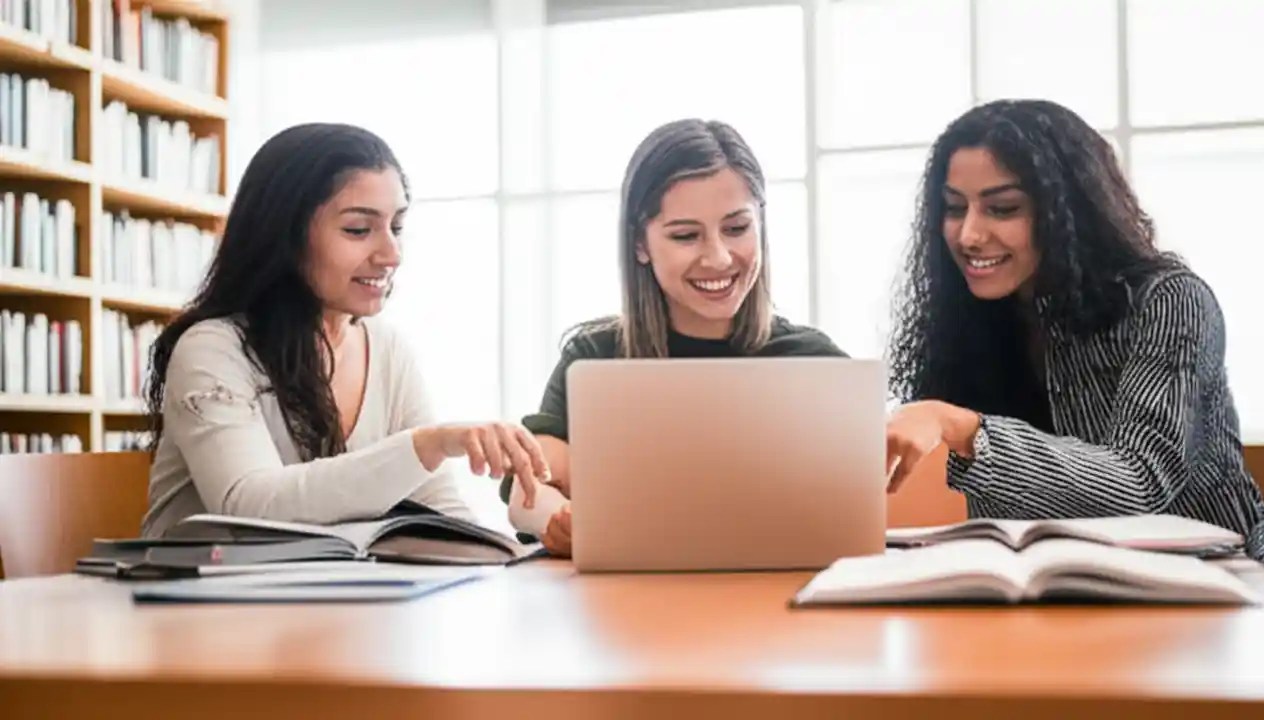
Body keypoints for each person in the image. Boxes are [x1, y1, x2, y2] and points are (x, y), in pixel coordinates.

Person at [884, 99, 1264, 563]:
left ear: (1067, 212)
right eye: (954, 208)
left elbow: (1139, 485)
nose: (969, 235)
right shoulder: (974, 322)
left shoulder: (1170, 300)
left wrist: (963, 428)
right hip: (1063, 588)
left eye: (1003, 208)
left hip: (1230, 580)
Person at [140, 123, 547, 538]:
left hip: (324, 598)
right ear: (284, 235)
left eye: (397, 227)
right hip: (198, 598)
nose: (392, 254)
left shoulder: (388, 350)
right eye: (358, 229)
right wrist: (428, 445)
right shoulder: (213, 348)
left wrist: (496, 554)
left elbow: (437, 508)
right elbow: (250, 504)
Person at [502, 118, 846, 556]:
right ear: (640, 245)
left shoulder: (816, 363)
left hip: (784, 605)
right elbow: (530, 488)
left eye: (737, 228)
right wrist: (555, 518)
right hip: (630, 609)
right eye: (686, 236)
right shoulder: (596, 359)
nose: (719, 258)